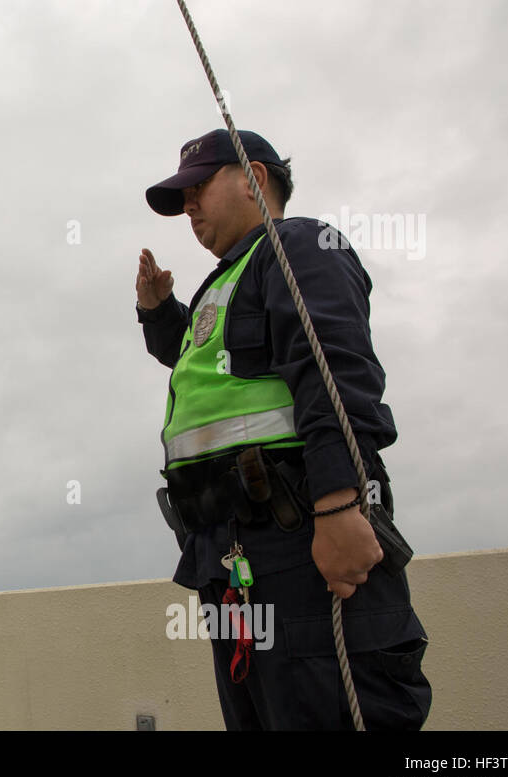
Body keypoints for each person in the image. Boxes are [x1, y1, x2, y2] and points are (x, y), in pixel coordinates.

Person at [135, 128, 431, 730]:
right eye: (182, 196)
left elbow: (334, 375)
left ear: (254, 176)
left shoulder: (295, 247)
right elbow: (218, 371)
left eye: (199, 187)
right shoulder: (228, 277)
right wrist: (162, 312)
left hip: (295, 545)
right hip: (232, 556)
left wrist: (340, 504)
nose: (188, 205)